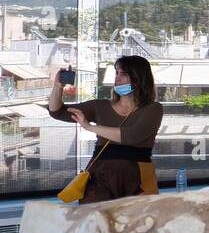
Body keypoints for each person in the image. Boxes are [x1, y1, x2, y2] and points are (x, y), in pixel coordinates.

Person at [48, 55, 164, 203]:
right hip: (100, 176)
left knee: (135, 223)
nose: (118, 78)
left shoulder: (153, 109)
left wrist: (90, 127)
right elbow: (57, 112)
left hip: (137, 178)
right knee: (97, 222)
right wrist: (58, 86)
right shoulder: (100, 106)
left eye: (124, 74)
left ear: (138, 77)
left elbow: (131, 136)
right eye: (116, 72)